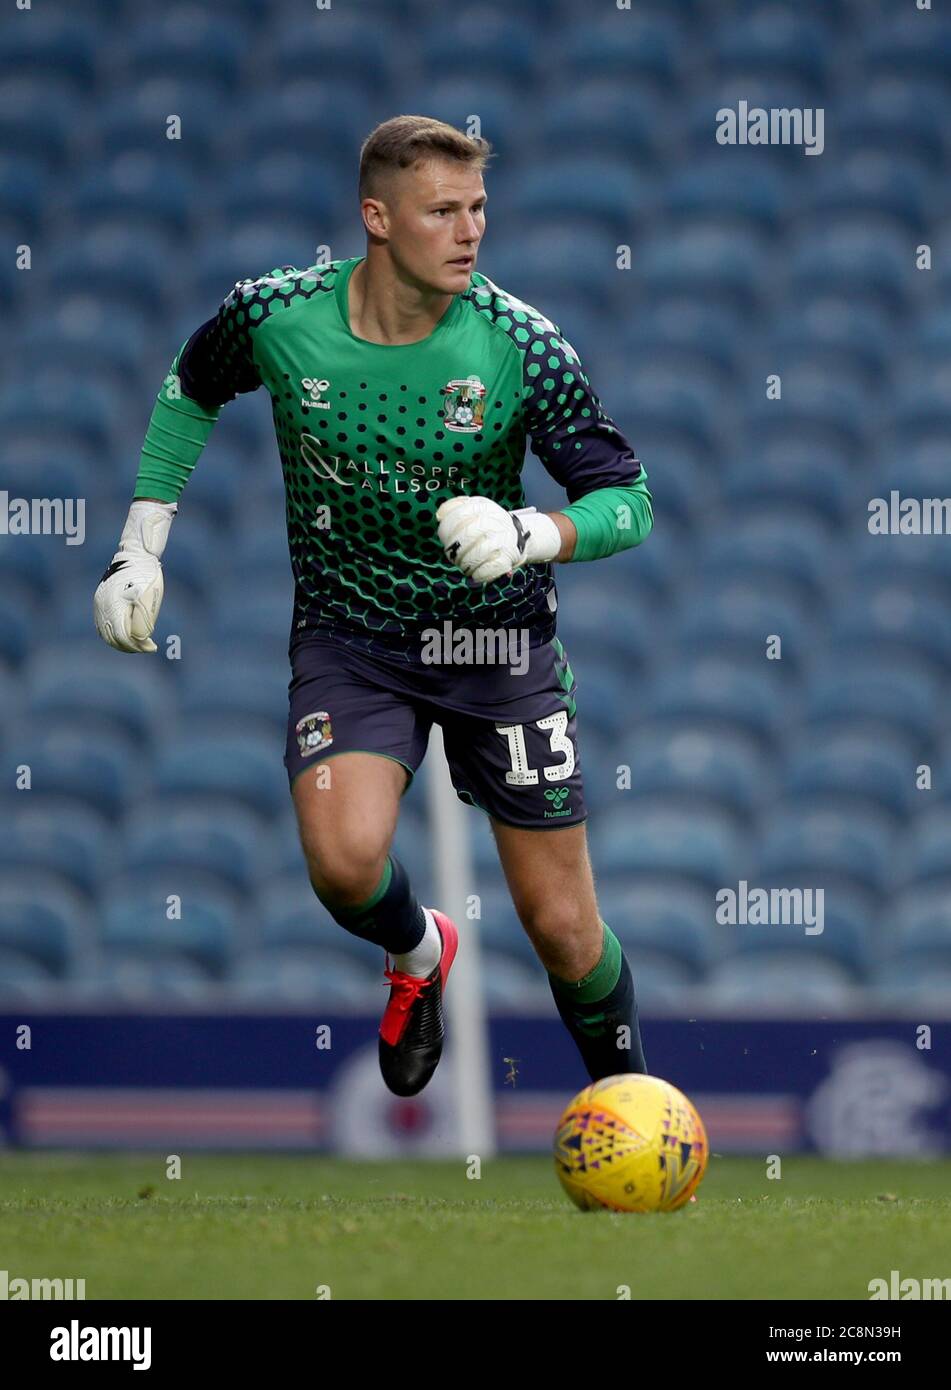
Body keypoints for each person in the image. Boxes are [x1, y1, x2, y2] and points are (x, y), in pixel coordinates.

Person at [94, 115, 654, 1098]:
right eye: (443, 211)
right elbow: (190, 384)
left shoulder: (519, 342)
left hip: (497, 644)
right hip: (353, 640)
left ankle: (635, 1102)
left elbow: (629, 499)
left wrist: (535, 532)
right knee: (346, 863)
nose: (470, 231)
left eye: (478, 208)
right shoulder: (275, 316)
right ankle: (419, 951)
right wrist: (141, 545)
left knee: (563, 929)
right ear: (377, 218)